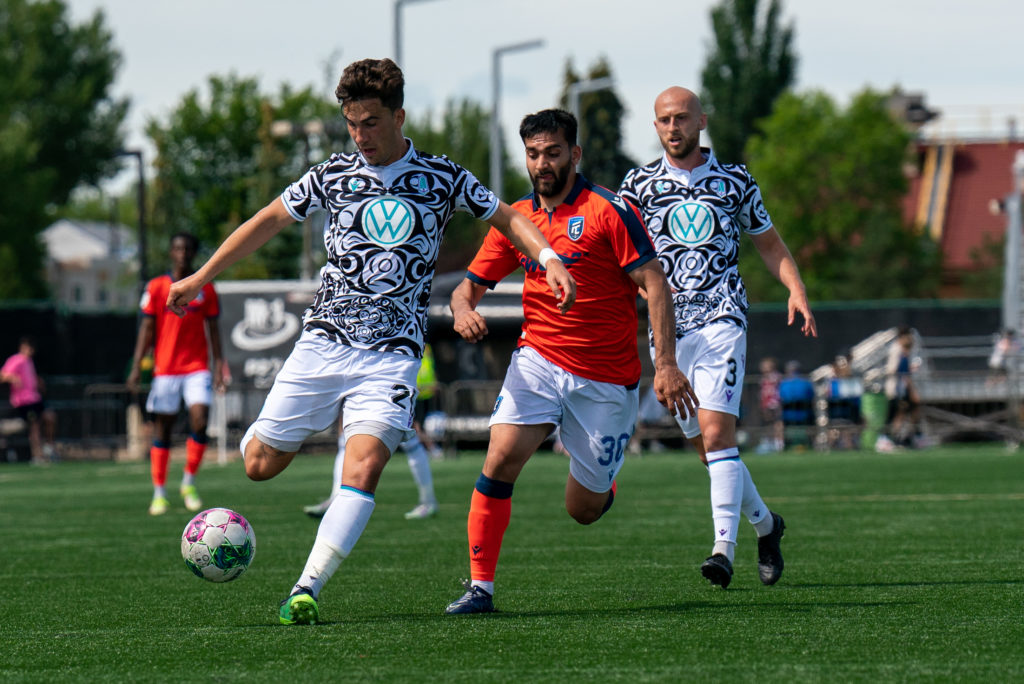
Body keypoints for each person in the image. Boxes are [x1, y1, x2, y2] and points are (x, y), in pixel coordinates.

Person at [164, 59, 576, 626]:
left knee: (363, 469)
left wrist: (549, 257)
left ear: (399, 116)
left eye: (372, 123)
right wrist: (199, 277)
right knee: (257, 464)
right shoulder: (331, 174)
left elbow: (508, 218)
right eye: (352, 123)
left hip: (391, 356)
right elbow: (265, 221)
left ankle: (305, 588)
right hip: (322, 343)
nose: (361, 136)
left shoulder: (441, 176)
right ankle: (292, 464)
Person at [444, 108, 696, 614]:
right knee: (500, 457)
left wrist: (665, 364)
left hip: (606, 379)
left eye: (553, 153)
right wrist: (463, 309)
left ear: (574, 154)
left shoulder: (609, 211)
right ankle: (480, 588)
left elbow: (655, 284)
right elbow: (465, 288)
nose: (542, 164)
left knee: (582, 510)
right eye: (534, 154)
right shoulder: (515, 221)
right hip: (537, 359)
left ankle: (603, 483)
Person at [619, 86, 817, 589]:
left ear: (701, 119)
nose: (673, 127)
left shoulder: (734, 181)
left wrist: (795, 288)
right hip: (668, 334)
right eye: (664, 120)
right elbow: (617, 256)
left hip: (723, 318)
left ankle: (721, 552)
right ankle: (767, 526)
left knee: (716, 436)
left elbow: (770, 245)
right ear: (655, 125)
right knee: (708, 451)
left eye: (682, 118)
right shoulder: (637, 186)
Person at [128, 233, 226, 515]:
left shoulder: (204, 287)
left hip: (196, 367)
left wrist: (219, 364)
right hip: (166, 369)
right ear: (171, 253)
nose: (182, 253)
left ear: (193, 253)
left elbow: (214, 330)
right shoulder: (158, 287)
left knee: (200, 419)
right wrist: (137, 364)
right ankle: (159, 493)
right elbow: (146, 328)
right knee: (164, 429)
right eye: (178, 249)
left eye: (187, 249)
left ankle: (188, 482)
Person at [304, 345, 442, 521]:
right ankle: (335, 497)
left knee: (409, 440)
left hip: (389, 376)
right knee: (345, 433)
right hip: (363, 371)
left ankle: (428, 501)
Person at [1, 337, 58, 464]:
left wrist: (38, 381)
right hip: (24, 402)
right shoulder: (15, 360)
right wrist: (13, 378)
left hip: (35, 399)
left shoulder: (29, 361)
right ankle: (37, 455)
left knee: (50, 417)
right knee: (35, 426)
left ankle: (49, 446)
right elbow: (3, 375)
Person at [879, 326, 921, 450]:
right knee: (894, 414)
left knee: (902, 412)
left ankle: (901, 438)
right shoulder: (896, 350)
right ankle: (886, 439)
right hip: (896, 388)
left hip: (901, 388)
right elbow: (895, 370)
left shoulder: (905, 351)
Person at [755, 357, 784, 454]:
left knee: (777, 423)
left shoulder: (776, 377)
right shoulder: (762, 379)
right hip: (765, 403)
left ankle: (779, 443)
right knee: (767, 423)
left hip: (774, 402)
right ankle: (768, 441)